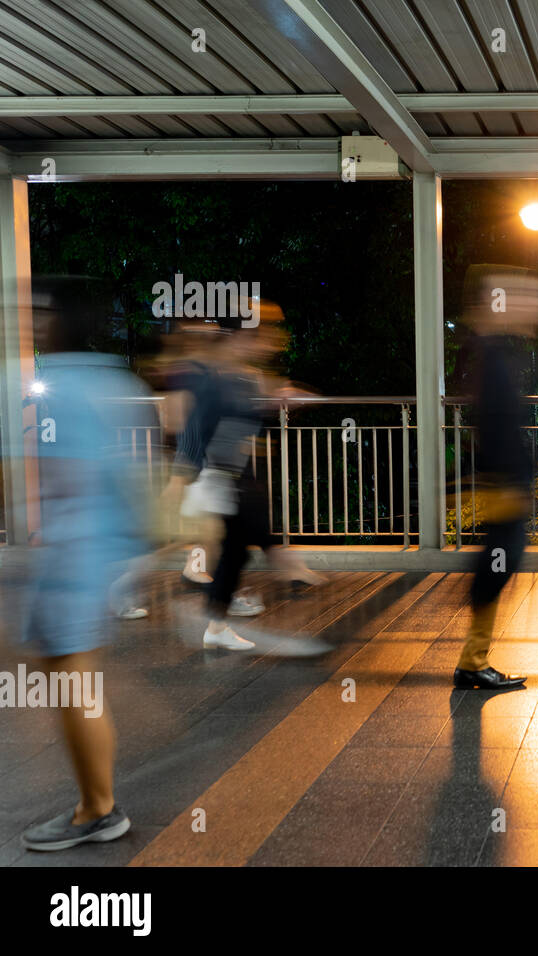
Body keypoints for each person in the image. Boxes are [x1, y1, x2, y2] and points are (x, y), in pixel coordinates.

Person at [19, 277, 151, 851]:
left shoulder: (56, 386)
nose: (28, 322)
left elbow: (68, 474)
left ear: (59, 319)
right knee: (70, 678)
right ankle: (93, 802)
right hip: (98, 549)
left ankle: (97, 809)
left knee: (72, 680)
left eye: (37, 312)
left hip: (72, 557)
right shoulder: (111, 379)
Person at [168, 303, 322, 651]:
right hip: (217, 475)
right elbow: (194, 430)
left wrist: (280, 399)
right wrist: (180, 479)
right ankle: (285, 567)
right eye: (259, 334)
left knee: (236, 551)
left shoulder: (244, 375)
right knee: (240, 545)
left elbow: (251, 411)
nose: (267, 341)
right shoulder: (213, 377)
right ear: (238, 336)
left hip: (234, 475)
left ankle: (218, 621)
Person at [453, 267, 538, 690]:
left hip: (503, 480)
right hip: (503, 482)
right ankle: (472, 660)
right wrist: (508, 482)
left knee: (501, 557)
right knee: (500, 558)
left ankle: (474, 658)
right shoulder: (493, 356)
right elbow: (493, 423)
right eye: (534, 299)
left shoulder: (495, 352)